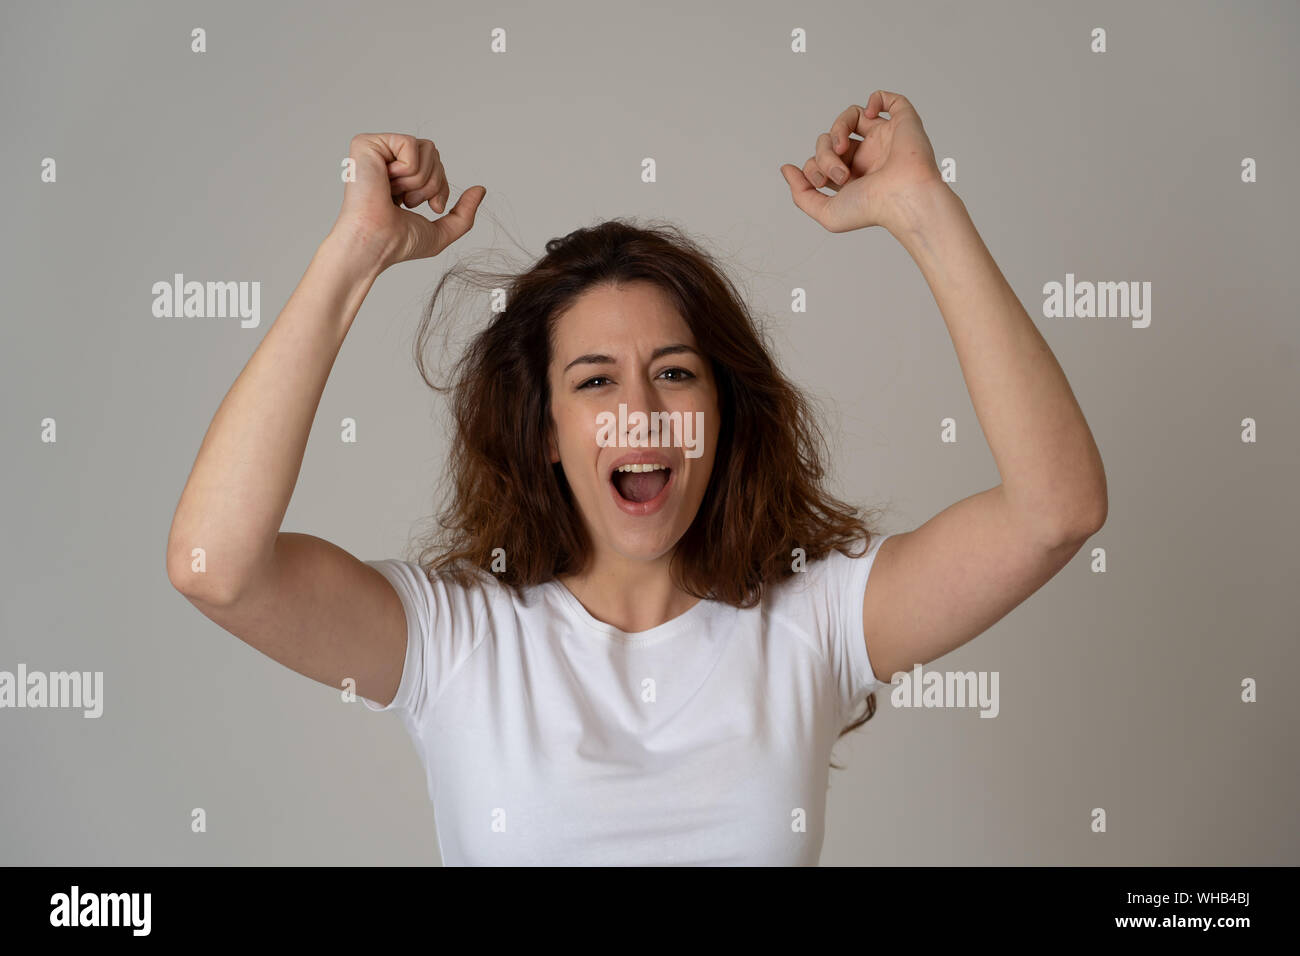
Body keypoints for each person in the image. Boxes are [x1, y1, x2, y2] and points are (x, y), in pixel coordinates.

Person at [166, 90, 1107, 866]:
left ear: (720, 414)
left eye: (674, 373)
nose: (640, 414)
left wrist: (924, 211)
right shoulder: (458, 641)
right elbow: (218, 565)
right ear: (544, 434)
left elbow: (1056, 512)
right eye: (594, 381)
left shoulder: (813, 624)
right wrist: (356, 253)